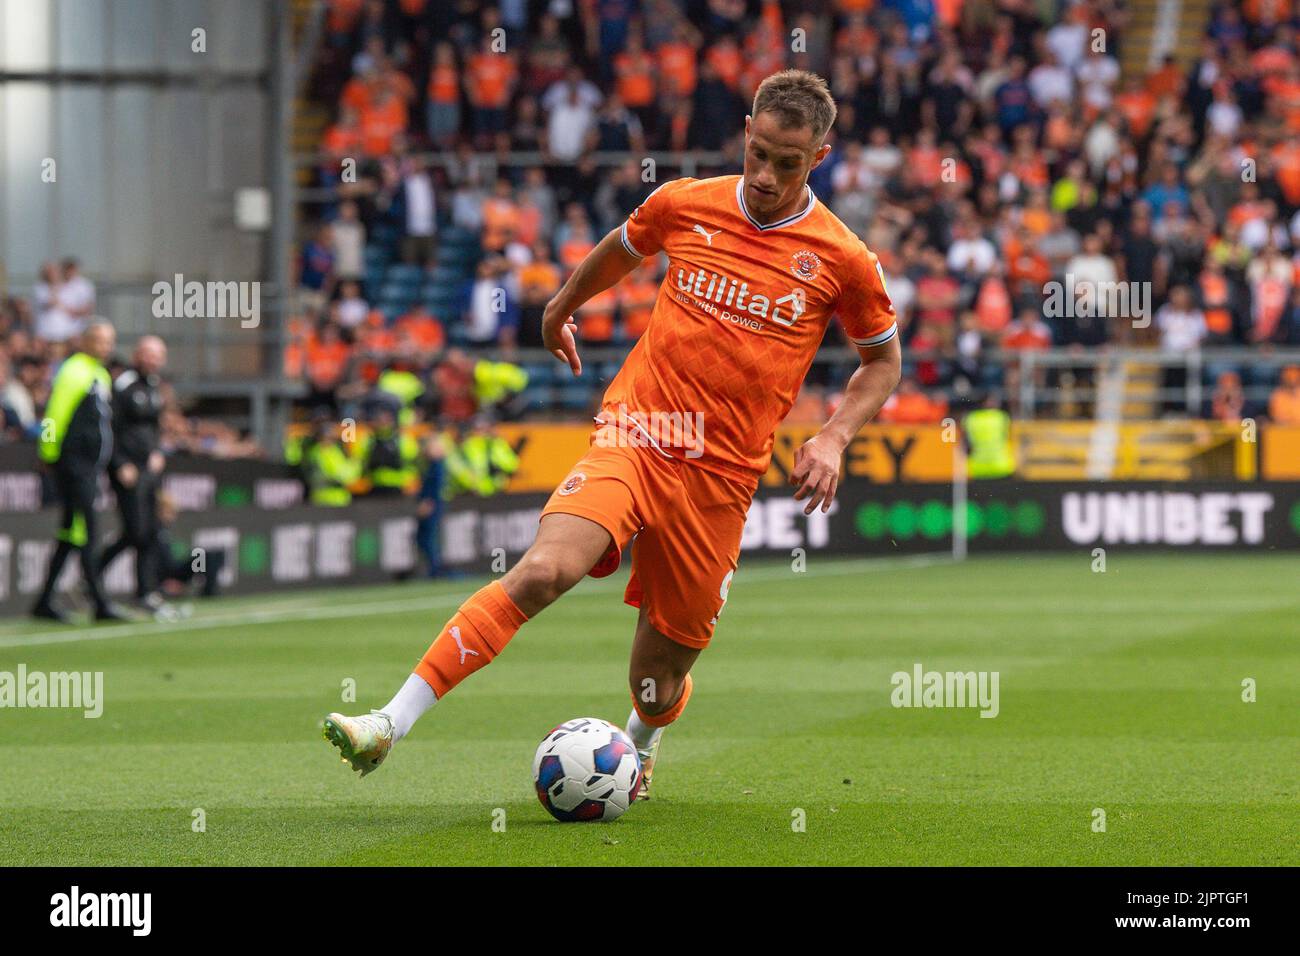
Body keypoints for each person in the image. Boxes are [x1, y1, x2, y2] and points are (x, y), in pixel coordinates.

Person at [324, 70, 902, 799]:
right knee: (542, 572)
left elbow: (883, 361)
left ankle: (643, 740)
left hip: (722, 478)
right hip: (638, 432)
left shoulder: (842, 258)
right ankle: (387, 723)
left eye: (787, 164)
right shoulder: (686, 202)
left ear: (816, 158)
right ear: (747, 131)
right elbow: (628, 244)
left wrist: (834, 436)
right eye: (758, 152)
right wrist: (562, 303)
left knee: (657, 682)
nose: (764, 174)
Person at [31, 322, 130, 622]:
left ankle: (44, 601)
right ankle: (99, 602)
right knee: (88, 530)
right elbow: (53, 415)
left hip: (89, 467)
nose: (105, 346)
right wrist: (48, 451)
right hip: (74, 465)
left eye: (109, 341)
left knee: (72, 533)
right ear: (86, 341)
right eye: (99, 340)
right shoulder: (74, 371)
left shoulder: (99, 374)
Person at [100, 336, 168, 609]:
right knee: (136, 531)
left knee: (148, 530)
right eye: (148, 354)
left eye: (157, 355)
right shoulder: (123, 385)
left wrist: (157, 451)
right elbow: (110, 427)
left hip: (148, 469)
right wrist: (119, 463)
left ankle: (145, 592)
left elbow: (153, 428)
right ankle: (93, 573)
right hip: (128, 470)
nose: (152, 360)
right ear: (138, 354)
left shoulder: (153, 386)